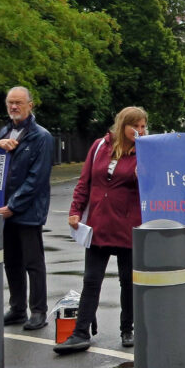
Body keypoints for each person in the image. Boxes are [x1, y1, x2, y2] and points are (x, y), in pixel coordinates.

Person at [57, 107, 146, 354]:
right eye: (135, 126)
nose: (140, 131)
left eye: (143, 126)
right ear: (122, 125)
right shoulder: (99, 146)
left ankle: (127, 329)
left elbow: (152, 189)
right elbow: (84, 182)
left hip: (128, 225)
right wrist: (75, 210)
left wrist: (143, 175)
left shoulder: (144, 152)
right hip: (98, 224)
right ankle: (80, 332)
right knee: (91, 279)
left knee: (128, 281)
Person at [0, 86, 54, 331]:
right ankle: (17, 309)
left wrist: (13, 206)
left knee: (33, 263)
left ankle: (38, 311)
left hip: (27, 212)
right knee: (11, 261)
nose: (14, 107)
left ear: (30, 105)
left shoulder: (42, 137)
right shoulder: (5, 131)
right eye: (10, 103)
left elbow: (37, 179)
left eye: (18, 102)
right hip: (5, 210)